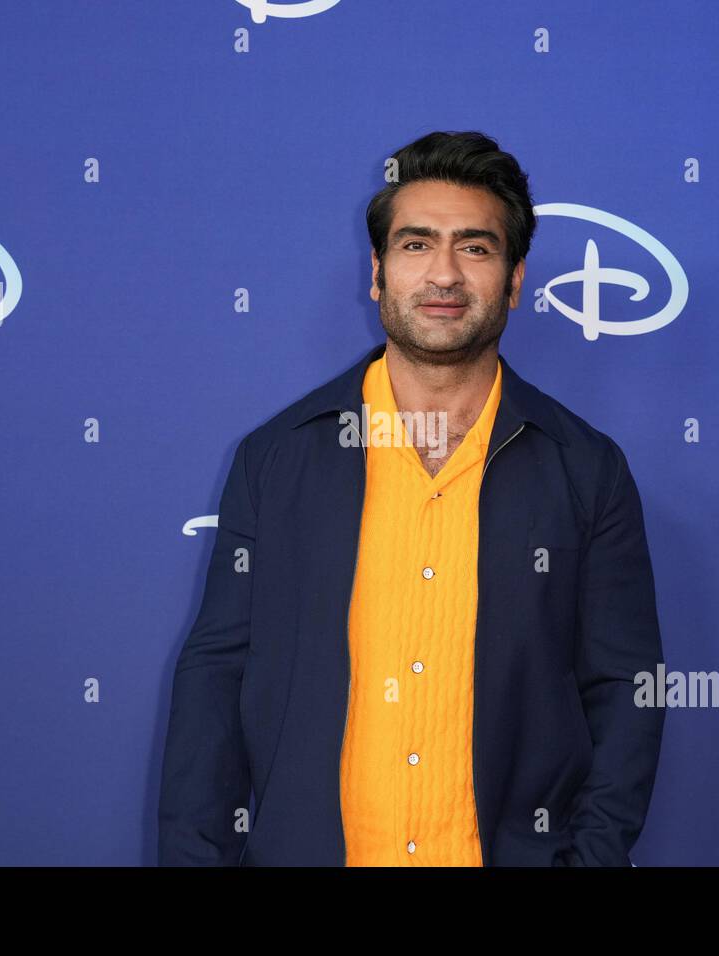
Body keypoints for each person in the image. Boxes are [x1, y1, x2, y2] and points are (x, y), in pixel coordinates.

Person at [159, 130, 665, 866]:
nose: (445, 275)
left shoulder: (587, 470)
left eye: (476, 247)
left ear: (516, 280)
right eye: (417, 244)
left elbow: (626, 695)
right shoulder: (277, 459)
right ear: (377, 272)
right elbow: (215, 682)